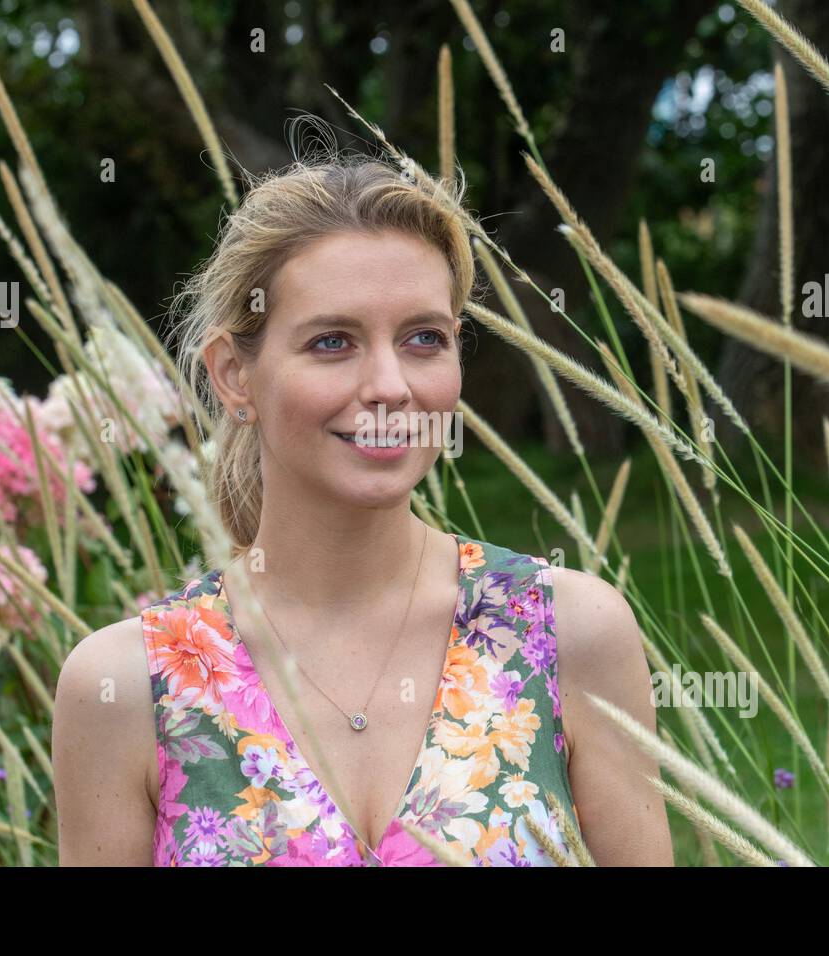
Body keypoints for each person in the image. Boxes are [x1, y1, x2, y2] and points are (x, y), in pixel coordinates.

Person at [52, 148, 672, 867]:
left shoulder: (568, 635)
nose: (390, 385)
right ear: (234, 375)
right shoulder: (128, 687)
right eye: (332, 342)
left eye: (423, 339)